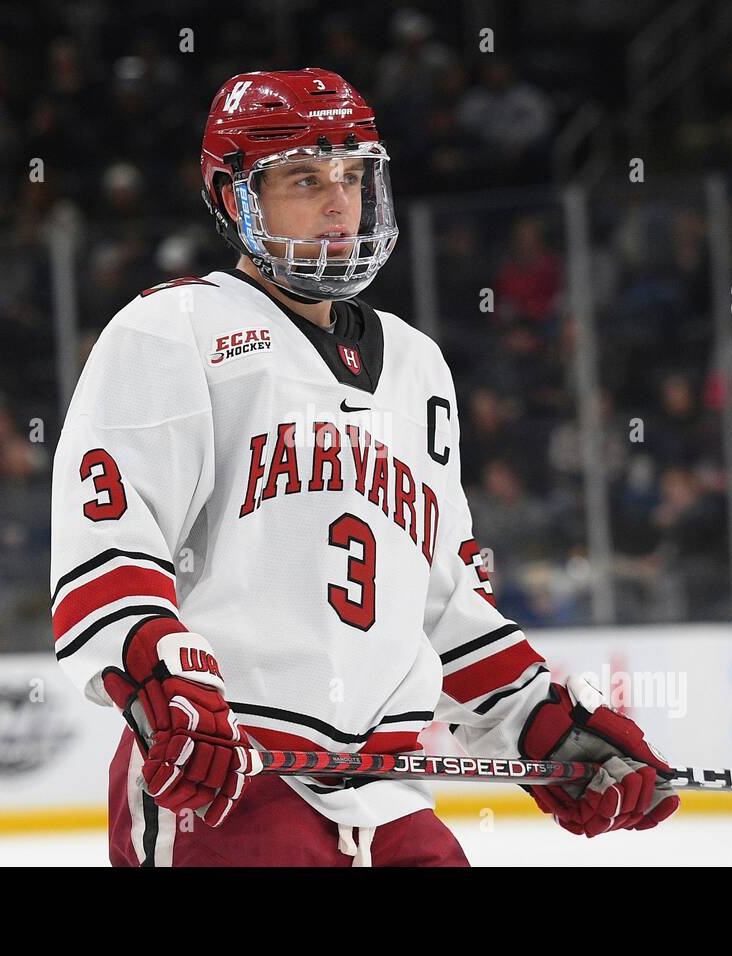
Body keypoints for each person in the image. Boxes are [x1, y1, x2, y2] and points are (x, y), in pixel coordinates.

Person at [50, 68, 678, 868]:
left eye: (351, 177)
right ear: (234, 196)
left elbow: (446, 599)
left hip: (390, 795)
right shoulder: (174, 330)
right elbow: (106, 548)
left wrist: (545, 720)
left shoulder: (418, 365)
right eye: (304, 180)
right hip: (235, 780)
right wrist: (158, 683)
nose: (339, 203)